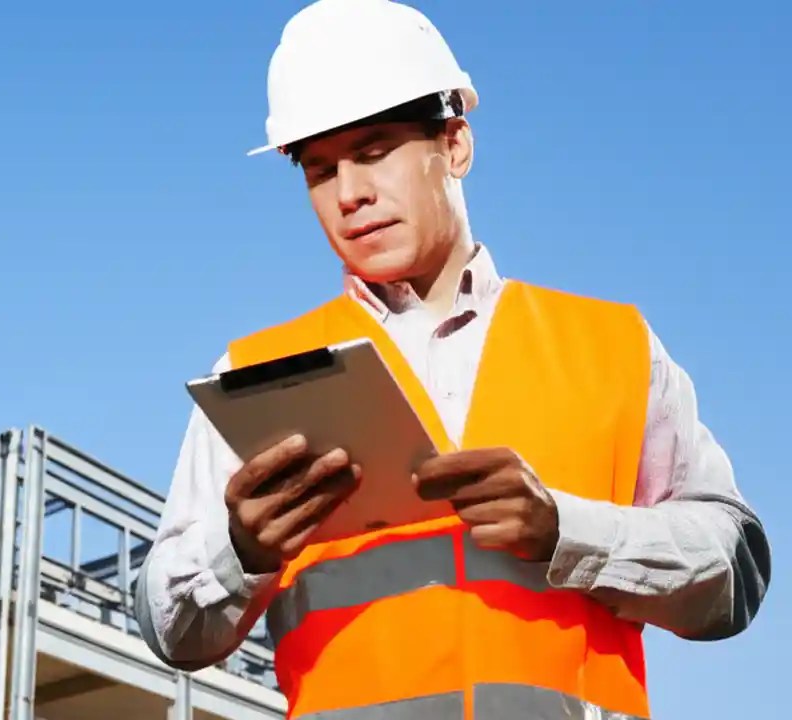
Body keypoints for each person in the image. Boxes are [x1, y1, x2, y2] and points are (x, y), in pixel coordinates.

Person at [133, 1, 772, 718]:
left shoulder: (612, 348)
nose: (349, 196)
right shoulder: (254, 375)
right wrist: (240, 550)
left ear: (457, 145)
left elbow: (735, 576)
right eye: (319, 170)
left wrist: (568, 530)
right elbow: (167, 628)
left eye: (374, 151)